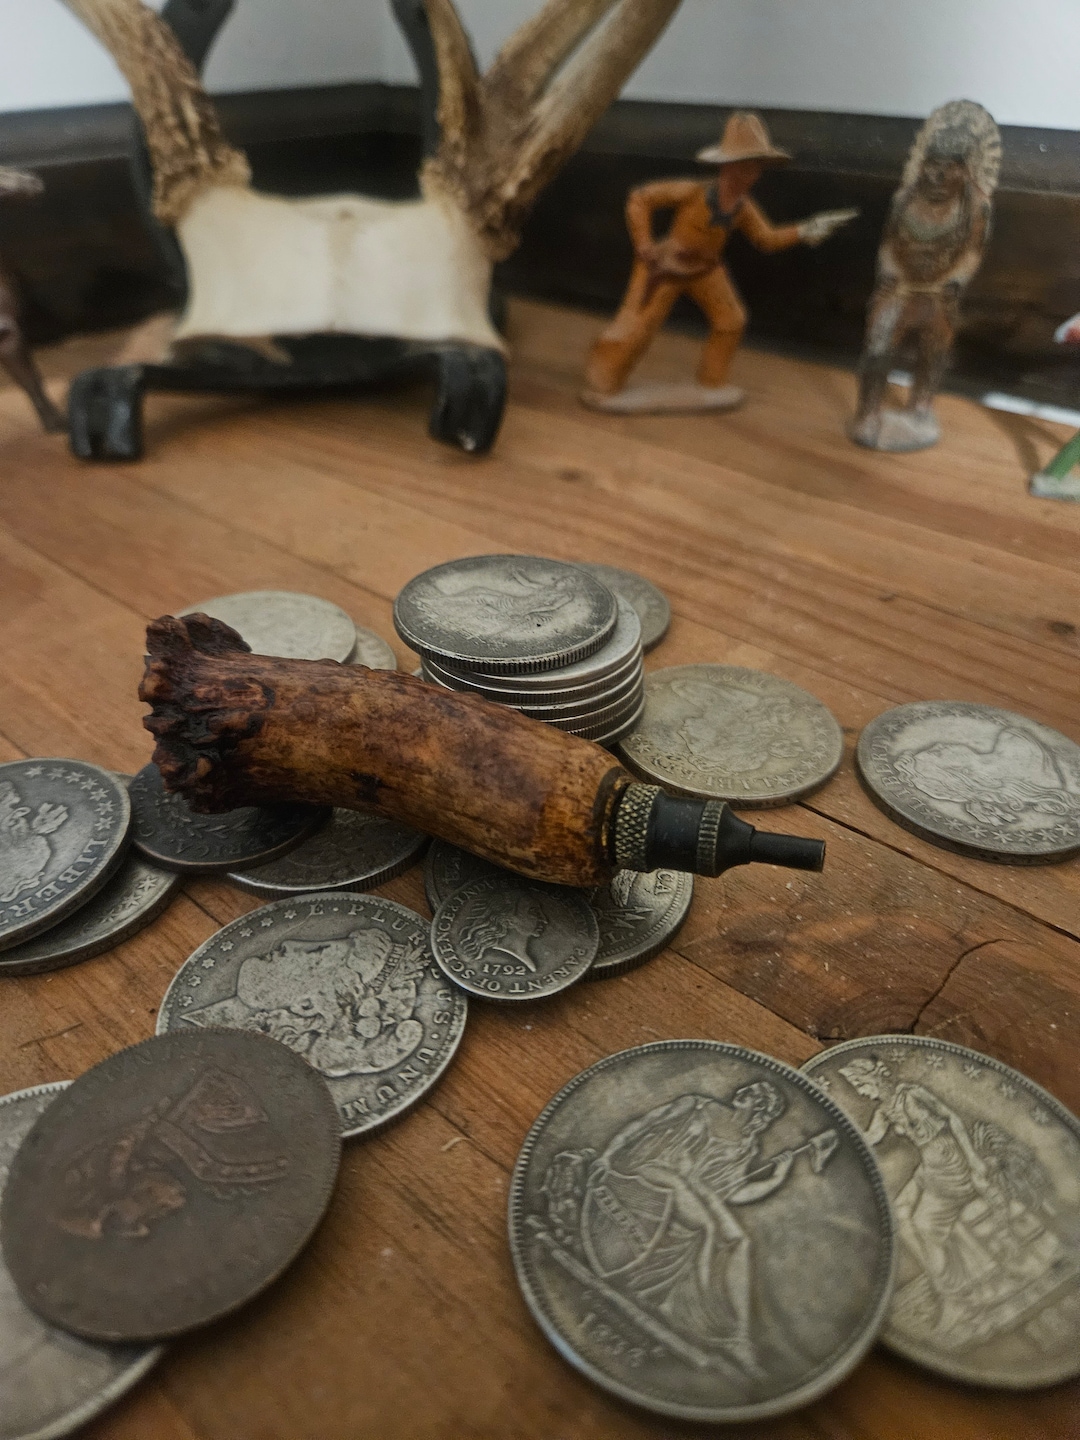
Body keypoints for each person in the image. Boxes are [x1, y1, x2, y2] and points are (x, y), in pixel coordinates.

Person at [582, 112, 855, 412]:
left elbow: (767, 239)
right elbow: (640, 198)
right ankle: (604, 383)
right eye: (748, 167)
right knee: (639, 326)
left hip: (706, 270)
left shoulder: (742, 208)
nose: (754, 175)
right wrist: (644, 242)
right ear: (730, 166)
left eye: (757, 167)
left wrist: (805, 230)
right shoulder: (693, 192)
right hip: (665, 267)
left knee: (731, 321)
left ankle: (712, 382)